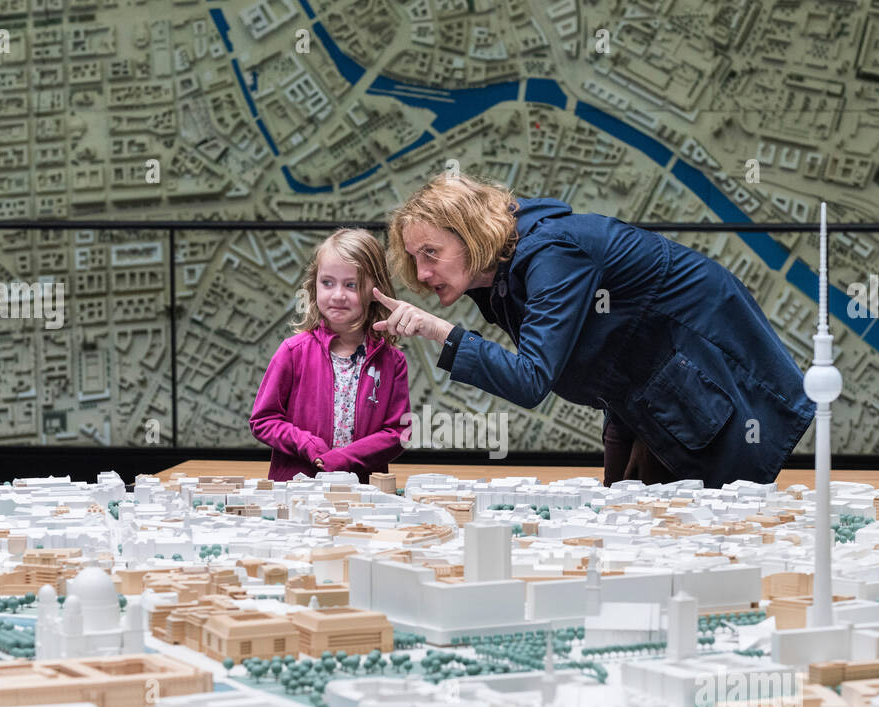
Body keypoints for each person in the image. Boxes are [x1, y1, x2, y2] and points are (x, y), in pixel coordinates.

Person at [374, 173, 815, 487]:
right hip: (638, 388)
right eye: (414, 258)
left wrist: (441, 332)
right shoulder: (502, 272)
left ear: (470, 234)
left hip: (699, 368)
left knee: (675, 514)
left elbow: (531, 379)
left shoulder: (551, 253)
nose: (423, 271)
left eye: (431, 252)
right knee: (624, 507)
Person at [249, 229, 410, 484]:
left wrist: (345, 458)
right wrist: (307, 444)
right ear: (314, 285)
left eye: (351, 285)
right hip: (296, 491)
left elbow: (397, 432)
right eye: (327, 282)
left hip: (363, 494)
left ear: (375, 290)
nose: (337, 295)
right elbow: (263, 420)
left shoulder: (393, 362)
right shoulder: (292, 352)